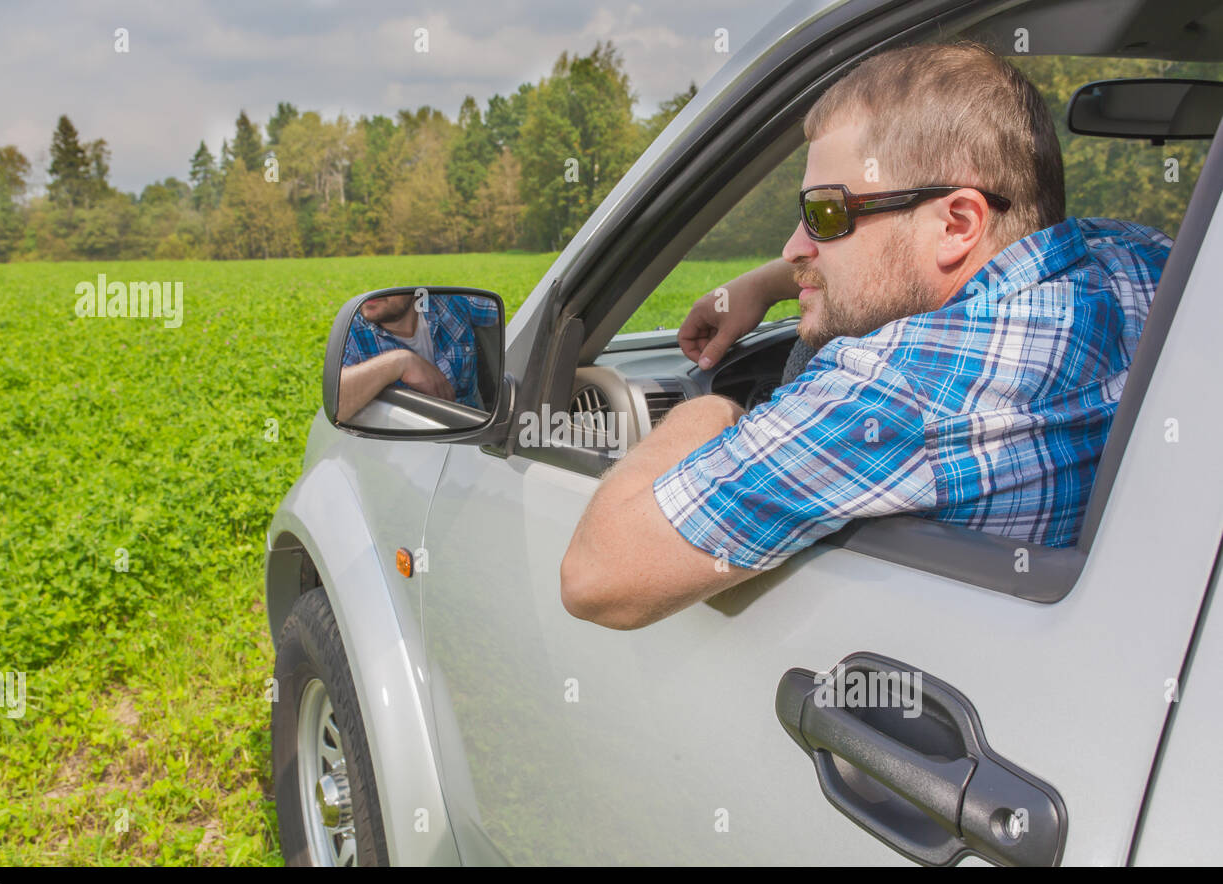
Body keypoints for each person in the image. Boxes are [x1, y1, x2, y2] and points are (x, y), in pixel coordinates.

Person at [560, 41, 1173, 630]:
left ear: (958, 223)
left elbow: (596, 580)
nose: (794, 246)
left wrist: (718, 412)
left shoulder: (900, 389)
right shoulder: (1130, 259)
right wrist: (774, 282)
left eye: (826, 215)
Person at [337, 291, 498, 420]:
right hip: (408, 449)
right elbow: (336, 405)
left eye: (385, 279)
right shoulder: (355, 330)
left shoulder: (448, 302)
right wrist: (398, 362)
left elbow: (508, 313)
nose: (369, 292)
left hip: (473, 430)